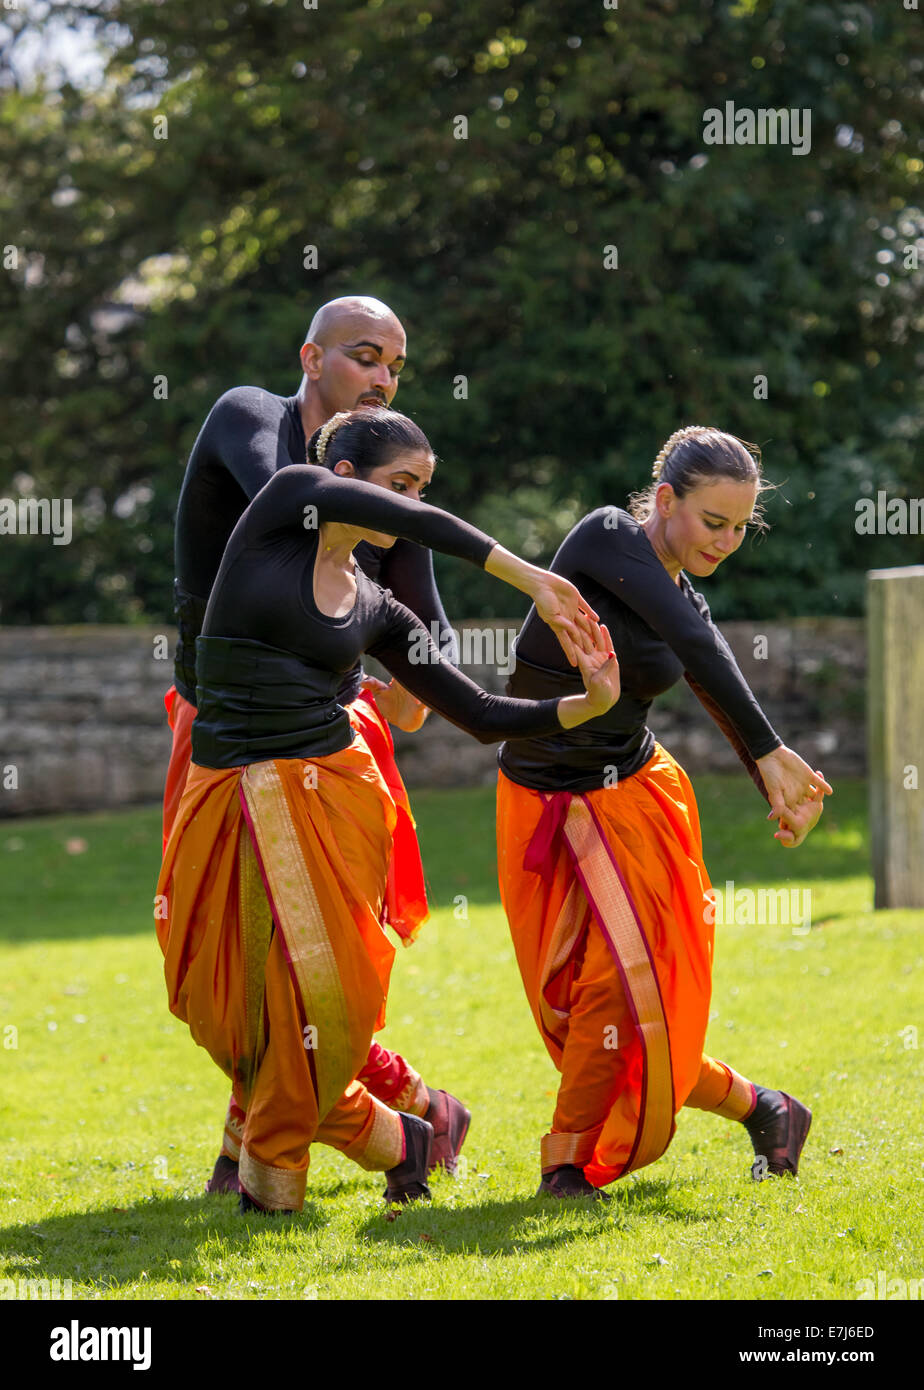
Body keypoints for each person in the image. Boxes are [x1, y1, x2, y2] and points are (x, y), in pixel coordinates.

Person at [156, 408, 621, 1214]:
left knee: (326, 1006)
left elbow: (479, 713)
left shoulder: (376, 605)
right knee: (216, 1005)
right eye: (398, 485)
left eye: (421, 488)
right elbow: (412, 524)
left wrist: (590, 704)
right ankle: (401, 1138)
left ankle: (272, 1182)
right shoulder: (284, 505)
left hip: (331, 794)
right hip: (222, 788)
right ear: (341, 476)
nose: (407, 506)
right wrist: (534, 579)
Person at [163, 296, 471, 1189]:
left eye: (396, 368)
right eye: (365, 357)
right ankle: (413, 1109)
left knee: (303, 955)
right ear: (311, 356)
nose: (381, 378)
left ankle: (258, 1147)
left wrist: (407, 668)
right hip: (214, 725)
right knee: (213, 946)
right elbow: (288, 506)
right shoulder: (252, 420)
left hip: (326, 744)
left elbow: (429, 664)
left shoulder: (392, 491)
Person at [495, 425, 832, 1198]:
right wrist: (772, 750)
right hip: (535, 799)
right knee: (577, 1009)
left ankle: (568, 1165)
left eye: (742, 528)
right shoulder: (605, 538)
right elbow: (690, 638)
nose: (728, 541)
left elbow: (709, 667)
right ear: (667, 499)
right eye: (714, 522)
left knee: (622, 986)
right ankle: (766, 1108)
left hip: (630, 801)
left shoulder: (687, 595)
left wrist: (771, 776)